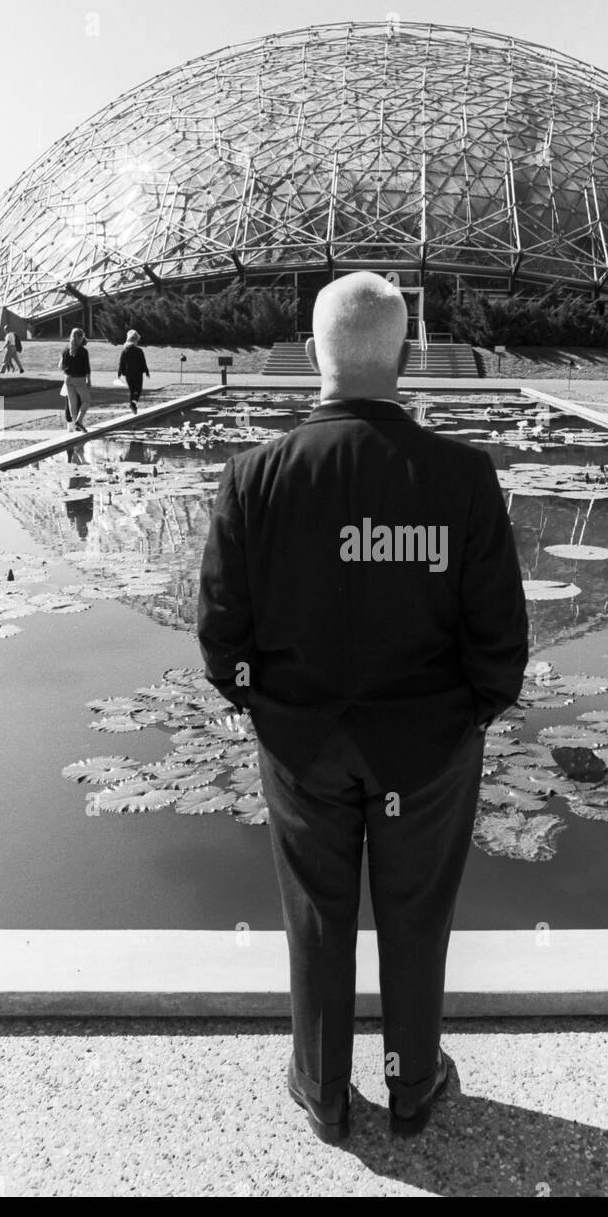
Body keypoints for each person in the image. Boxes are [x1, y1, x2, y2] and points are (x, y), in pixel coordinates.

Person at [198, 272, 528, 1143]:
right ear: (409, 357)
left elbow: (220, 634)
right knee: (417, 919)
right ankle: (413, 1086)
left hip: (304, 747)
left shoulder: (252, 477)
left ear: (313, 356)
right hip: (426, 749)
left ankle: (324, 1090)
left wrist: (259, 705)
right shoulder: (462, 477)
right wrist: (472, 715)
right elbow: (500, 639)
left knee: (317, 916)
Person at [59, 327, 92, 432]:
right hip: (79, 378)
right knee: (86, 401)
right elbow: (86, 367)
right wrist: (89, 379)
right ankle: (79, 420)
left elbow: (62, 366)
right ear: (81, 337)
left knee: (72, 403)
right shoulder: (83, 351)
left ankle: (74, 423)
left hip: (68, 378)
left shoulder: (66, 350)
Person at [116, 329, 150, 414]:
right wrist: (146, 371)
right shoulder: (139, 351)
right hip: (137, 374)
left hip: (128, 374)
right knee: (138, 390)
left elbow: (121, 363)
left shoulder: (125, 351)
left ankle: (133, 407)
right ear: (135, 340)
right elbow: (143, 362)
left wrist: (119, 373)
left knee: (132, 390)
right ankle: (133, 403)